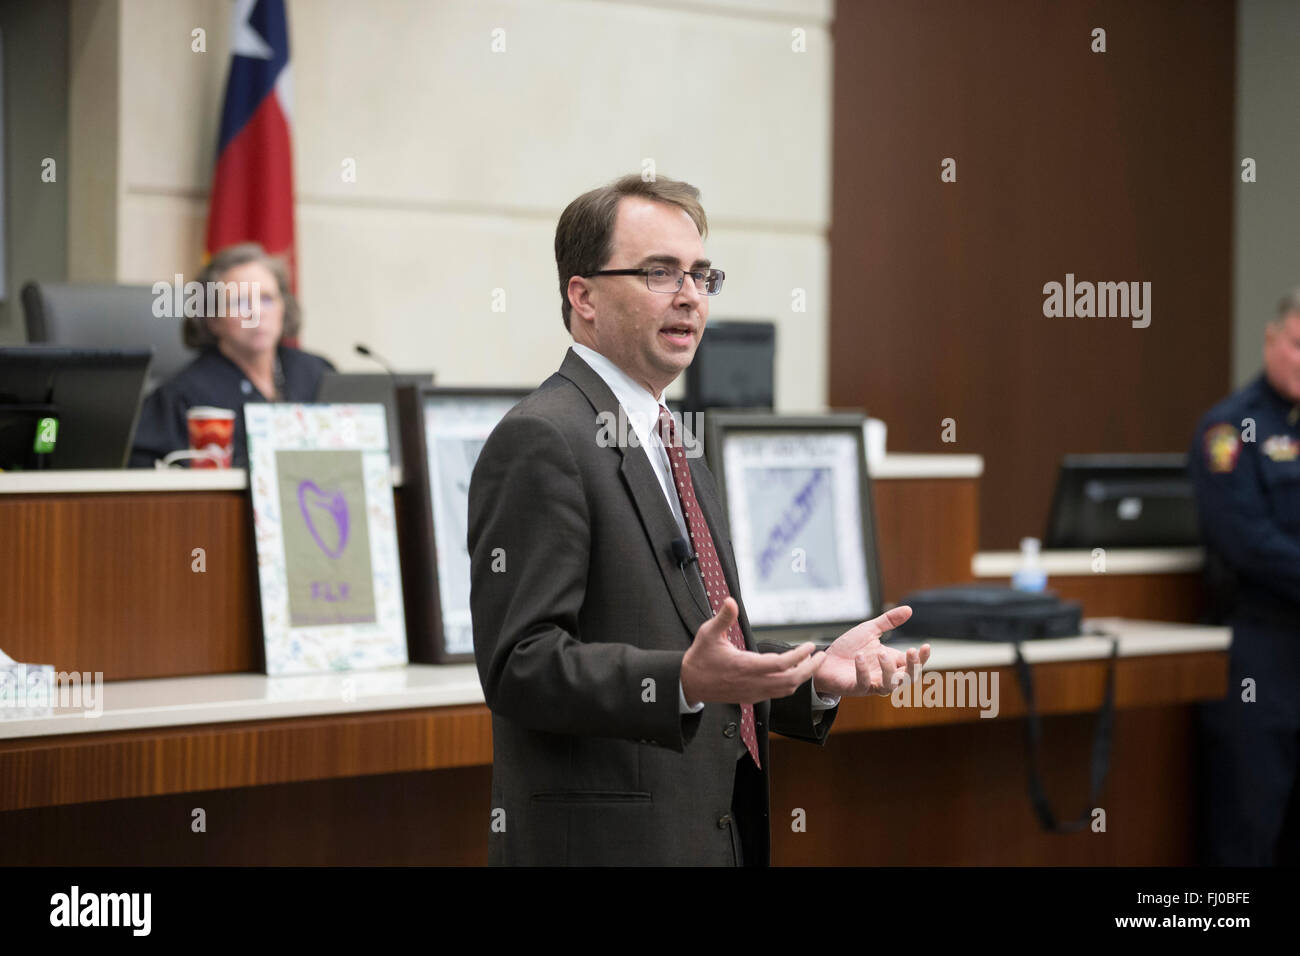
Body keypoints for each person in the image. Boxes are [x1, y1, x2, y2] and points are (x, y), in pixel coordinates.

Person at [468, 174, 930, 866]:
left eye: (701, 275)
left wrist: (814, 671)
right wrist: (677, 682)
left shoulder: (672, 436)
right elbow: (519, 666)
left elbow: (704, 640)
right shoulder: (544, 439)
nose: (690, 295)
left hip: (710, 834)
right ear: (583, 295)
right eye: (659, 273)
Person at [1190, 289, 1300, 866]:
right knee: (1248, 832)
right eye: (1298, 344)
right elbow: (1248, 543)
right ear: (1271, 339)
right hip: (1262, 652)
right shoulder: (1230, 429)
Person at [129, 243, 335, 468]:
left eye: (266, 299)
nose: (256, 313)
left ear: (283, 307)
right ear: (212, 319)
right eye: (240, 302)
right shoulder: (181, 395)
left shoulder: (316, 372)